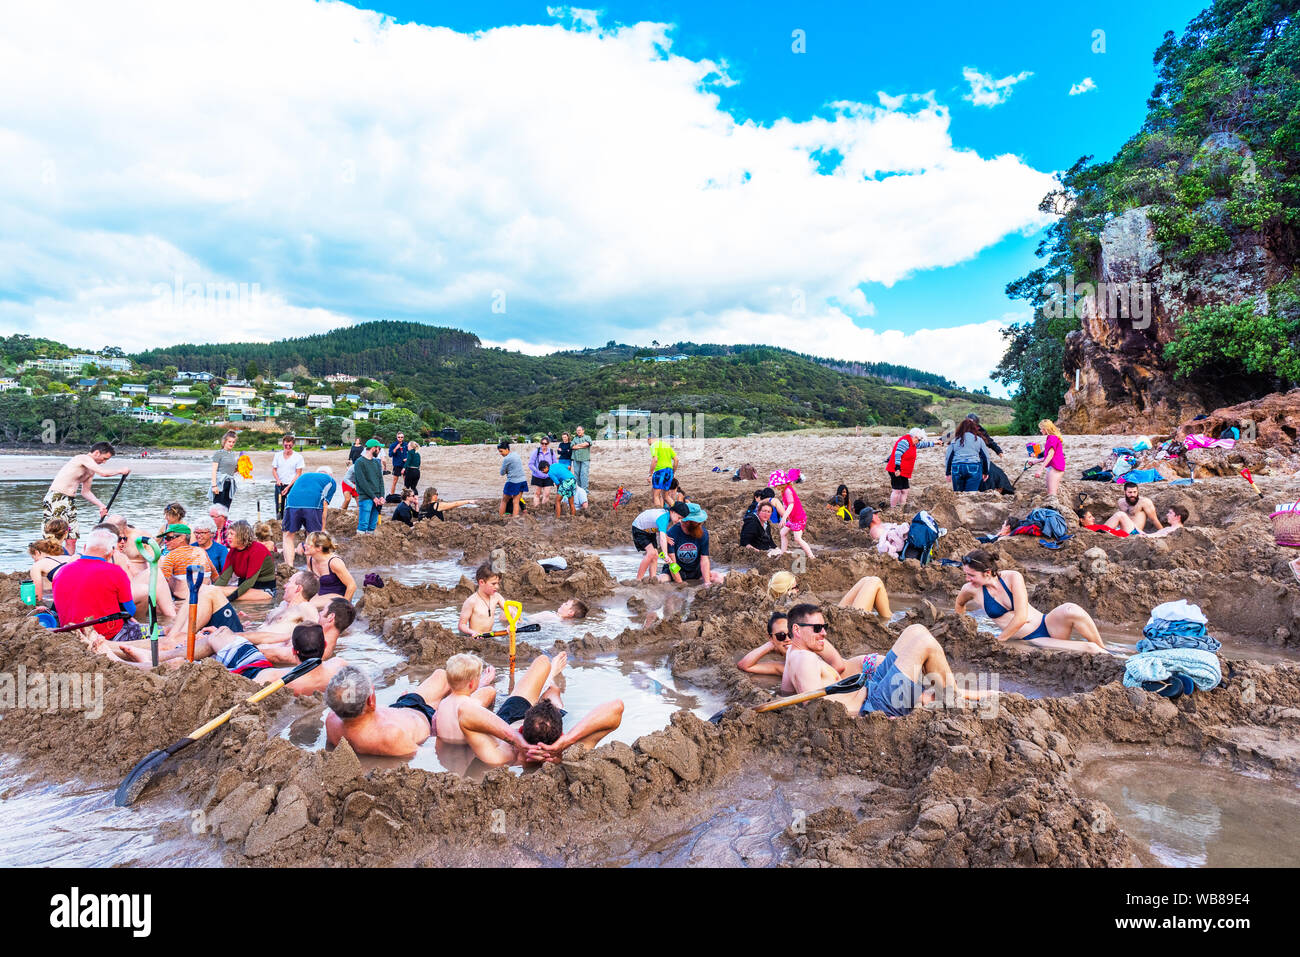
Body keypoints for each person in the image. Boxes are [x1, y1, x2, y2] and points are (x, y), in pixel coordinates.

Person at [782, 603, 992, 716]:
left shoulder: (794, 654)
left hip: (871, 689)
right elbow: (816, 710)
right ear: (797, 630)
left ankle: (950, 694)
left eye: (824, 627)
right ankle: (954, 701)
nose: (824, 633)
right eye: (817, 629)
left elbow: (787, 692)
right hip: (872, 705)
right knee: (925, 644)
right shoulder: (804, 660)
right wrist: (867, 719)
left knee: (915, 630)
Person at [434, 651, 624, 767]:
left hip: (508, 723)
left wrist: (515, 738)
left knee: (543, 663)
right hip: (544, 730)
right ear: (560, 734)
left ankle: (550, 685)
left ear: (524, 725)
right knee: (554, 697)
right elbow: (616, 708)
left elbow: (466, 712)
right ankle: (551, 689)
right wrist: (567, 740)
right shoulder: (567, 752)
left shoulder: (502, 754)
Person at [325, 662, 498, 757]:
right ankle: (475, 687)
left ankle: (463, 690)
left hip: (402, 707)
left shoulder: (332, 720)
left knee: (441, 675)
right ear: (371, 700)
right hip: (432, 722)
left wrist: (398, 706)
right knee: (489, 692)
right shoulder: (390, 737)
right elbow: (428, 755)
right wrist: (444, 725)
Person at [955, 549, 1109, 653]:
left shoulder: (1012, 577)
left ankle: (1106, 652)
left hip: (1047, 623)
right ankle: (1107, 656)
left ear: (987, 572)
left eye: (971, 575)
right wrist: (965, 630)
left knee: (1071, 608)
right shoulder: (970, 589)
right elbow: (959, 605)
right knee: (1090, 648)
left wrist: (998, 640)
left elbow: (1021, 617)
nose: (967, 579)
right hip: (1033, 639)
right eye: (966, 574)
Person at [48, 524, 140, 640]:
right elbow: (130, 611)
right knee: (158, 632)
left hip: (70, 634)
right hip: (107, 634)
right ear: (111, 552)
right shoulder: (116, 572)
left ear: (85, 547)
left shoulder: (61, 571)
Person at [42, 442, 130, 550]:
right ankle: (50, 560)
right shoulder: (82, 458)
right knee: (56, 535)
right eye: (104, 458)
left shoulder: (91, 470)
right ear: (97, 453)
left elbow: (86, 492)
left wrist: (101, 506)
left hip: (70, 501)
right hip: (57, 498)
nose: (104, 462)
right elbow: (103, 473)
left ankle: (69, 564)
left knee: (72, 538)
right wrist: (120, 471)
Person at [281, 467, 336, 566]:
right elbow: (324, 505)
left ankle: (289, 567)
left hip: (292, 503)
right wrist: (322, 529)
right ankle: (311, 569)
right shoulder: (331, 481)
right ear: (330, 474)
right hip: (312, 506)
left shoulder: (305, 476)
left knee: (288, 535)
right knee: (313, 537)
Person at [658, 503, 724, 585]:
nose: (699, 524)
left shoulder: (703, 533)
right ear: (686, 522)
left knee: (719, 578)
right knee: (660, 580)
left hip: (696, 571)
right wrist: (680, 583)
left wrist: (707, 583)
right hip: (677, 570)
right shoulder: (672, 533)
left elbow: (704, 560)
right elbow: (672, 564)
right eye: (697, 522)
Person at [213, 519, 278, 601]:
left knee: (220, 595)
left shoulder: (257, 550)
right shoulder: (233, 551)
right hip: (245, 587)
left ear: (242, 535)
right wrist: (211, 590)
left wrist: (230, 599)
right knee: (214, 591)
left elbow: (249, 582)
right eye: (228, 534)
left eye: (232, 534)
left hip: (265, 590)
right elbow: (223, 578)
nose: (228, 537)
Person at [158, 524, 217, 600]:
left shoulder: (171, 556)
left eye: (169, 538)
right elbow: (215, 576)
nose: (165, 541)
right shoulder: (201, 551)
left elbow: (162, 583)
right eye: (165, 538)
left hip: (185, 598)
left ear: (182, 538)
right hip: (206, 595)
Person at [631, 502, 687, 580]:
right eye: (679, 518)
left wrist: (666, 536)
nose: (680, 521)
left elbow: (660, 530)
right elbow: (662, 538)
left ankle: (653, 578)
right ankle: (638, 579)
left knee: (655, 555)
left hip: (649, 530)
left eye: (682, 519)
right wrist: (665, 554)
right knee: (651, 553)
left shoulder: (668, 516)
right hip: (639, 528)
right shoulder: (664, 518)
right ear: (672, 512)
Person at [769, 469, 813, 560]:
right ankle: (783, 553)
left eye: (776, 485)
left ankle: (811, 556)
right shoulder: (784, 490)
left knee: (797, 538)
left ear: (782, 483)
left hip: (798, 518)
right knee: (782, 533)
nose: (776, 487)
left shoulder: (787, 491)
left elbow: (791, 505)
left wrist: (784, 517)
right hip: (793, 518)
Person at [886, 429, 933, 508]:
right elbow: (897, 454)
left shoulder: (913, 442)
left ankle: (902, 507)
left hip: (904, 471)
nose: (919, 441)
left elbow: (922, 445)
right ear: (914, 437)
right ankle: (892, 508)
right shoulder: (905, 442)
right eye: (919, 440)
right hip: (896, 469)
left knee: (905, 490)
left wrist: (935, 443)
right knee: (897, 490)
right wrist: (897, 468)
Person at [304, 531, 356, 600]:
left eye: (308, 544)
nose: (304, 546)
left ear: (319, 548)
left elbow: (352, 585)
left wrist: (344, 605)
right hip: (321, 596)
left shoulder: (334, 562)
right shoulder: (311, 560)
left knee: (307, 605)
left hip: (337, 598)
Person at [458, 563, 505, 636]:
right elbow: (461, 625)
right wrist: (472, 632)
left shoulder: (497, 597)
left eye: (498, 583)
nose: (497, 587)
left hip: (490, 636)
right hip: (476, 638)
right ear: (481, 582)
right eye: (493, 584)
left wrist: (512, 624)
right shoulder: (471, 601)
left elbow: (510, 610)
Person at [945, 420, 989, 493]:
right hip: (974, 466)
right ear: (974, 428)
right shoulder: (979, 440)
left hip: (957, 467)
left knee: (958, 494)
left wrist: (948, 473)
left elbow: (948, 457)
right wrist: (986, 472)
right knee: (970, 494)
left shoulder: (954, 440)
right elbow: (986, 457)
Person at [27, 538, 73, 605]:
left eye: (34, 558)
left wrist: (37, 605)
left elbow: (37, 595)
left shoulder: (37, 565)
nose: (35, 561)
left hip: (68, 599)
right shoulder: (69, 557)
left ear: (37, 552)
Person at [354, 439, 386, 532]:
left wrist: (382, 497)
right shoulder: (359, 462)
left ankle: (369, 544)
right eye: (378, 448)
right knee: (363, 524)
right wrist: (373, 497)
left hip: (377, 498)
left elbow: (381, 480)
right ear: (373, 448)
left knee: (372, 526)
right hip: (366, 497)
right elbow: (362, 482)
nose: (379, 450)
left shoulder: (377, 462)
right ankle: (359, 544)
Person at [271, 434, 304, 521]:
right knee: (279, 508)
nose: (288, 447)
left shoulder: (298, 457)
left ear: (293, 445)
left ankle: (292, 526)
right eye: (286, 445)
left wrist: (289, 487)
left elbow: (298, 474)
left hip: (292, 486)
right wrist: (277, 480)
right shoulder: (277, 455)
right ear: (283, 444)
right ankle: (280, 525)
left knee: (291, 508)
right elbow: (274, 470)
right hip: (279, 485)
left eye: (290, 445)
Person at [1030, 419, 1066, 498]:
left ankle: (1053, 509)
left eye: (1041, 428)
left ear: (1046, 429)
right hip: (1054, 466)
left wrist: (1040, 469)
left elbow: (1051, 455)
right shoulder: (1052, 438)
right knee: (1051, 492)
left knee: (1052, 494)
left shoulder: (1052, 438)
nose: (1040, 430)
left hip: (1055, 467)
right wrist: (1036, 461)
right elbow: (1049, 455)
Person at [209, 430, 240, 507]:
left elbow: (232, 471)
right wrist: (214, 486)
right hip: (220, 483)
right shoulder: (218, 453)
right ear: (224, 442)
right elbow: (214, 470)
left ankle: (225, 519)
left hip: (230, 483)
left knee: (226, 508)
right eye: (229, 441)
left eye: (233, 442)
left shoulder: (233, 454)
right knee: (218, 508)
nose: (231, 444)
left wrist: (240, 467)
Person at [497, 441, 528, 517]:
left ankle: (500, 517)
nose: (500, 453)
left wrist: (507, 470)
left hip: (513, 482)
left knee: (504, 500)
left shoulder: (507, 459)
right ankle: (515, 519)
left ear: (507, 449)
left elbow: (502, 472)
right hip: (522, 480)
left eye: (501, 451)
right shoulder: (516, 454)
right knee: (516, 501)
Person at [647, 436, 678, 508]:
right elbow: (676, 460)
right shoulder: (667, 445)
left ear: (649, 439)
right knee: (666, 496)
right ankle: (678, 510)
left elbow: (655, 460)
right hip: (669, 472)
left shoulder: (653, 445)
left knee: (656, 496)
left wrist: (650, 474)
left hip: (660, 472)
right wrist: (673, 472)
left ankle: (659, 514)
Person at [528, 438, 557, 509]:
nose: (544, 445)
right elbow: (530, 464)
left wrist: (551, 473)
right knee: (537, 493)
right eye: (542, 443)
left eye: (546, 443)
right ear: (540, 443)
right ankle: (537, 509)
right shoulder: (536, 452)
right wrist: (537, 472)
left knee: (547, 494)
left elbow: (555, 464)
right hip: (537, 476)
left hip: (548, 476)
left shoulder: (551, 452)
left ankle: (544, 509)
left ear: (548, 444)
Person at [570, 425, 592, 491]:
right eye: (577, 430)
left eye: (579, 430)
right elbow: (572, 447)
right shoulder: (575, 439)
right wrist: (582, 445)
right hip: (576, 459)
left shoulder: (587, 437)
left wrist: (578, 445)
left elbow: (587, 444)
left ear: (583, 431)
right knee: (576, 474)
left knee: (584, 474)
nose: (578, 432)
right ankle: (578, 489)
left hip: (585, 459)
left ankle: (585, 490)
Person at [387, 431, 408, 496]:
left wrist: (407, 458)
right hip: (397, 465)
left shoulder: (406, 445)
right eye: (399, 437)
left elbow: (410, 453)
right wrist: (396, 448)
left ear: (403, 437)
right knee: (394, 481)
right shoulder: (393, 445)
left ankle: (406, 495)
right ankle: (392, 495)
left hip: (405, 465)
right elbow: (390, 455)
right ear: (397, 437)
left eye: (401, 437)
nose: (400, 438)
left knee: (406, 481)